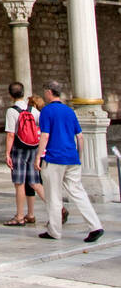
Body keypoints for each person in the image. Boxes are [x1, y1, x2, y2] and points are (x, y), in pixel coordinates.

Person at [37, 81, 103, 243]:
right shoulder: (69, 111)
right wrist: (78, 157)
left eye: (45, 91)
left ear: (49, 92)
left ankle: (54, 231)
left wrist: (38, 156)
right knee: (78, 193)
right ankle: (95, 226)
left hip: (54, 158)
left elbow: (45, 135)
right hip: (71, 158)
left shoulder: (47, 111)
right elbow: (79, 137)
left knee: (54, 196)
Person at [3, 83, 47, 226]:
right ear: (23, 93)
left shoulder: (12, 111)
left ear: (10, 95)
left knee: (19, 183)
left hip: (19, 149)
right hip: (33, 149)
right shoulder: (33, 110)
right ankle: (58, 209)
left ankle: (20, 216)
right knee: (35, 182)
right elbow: (43, 126)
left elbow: (10, 134)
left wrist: (7, 154)